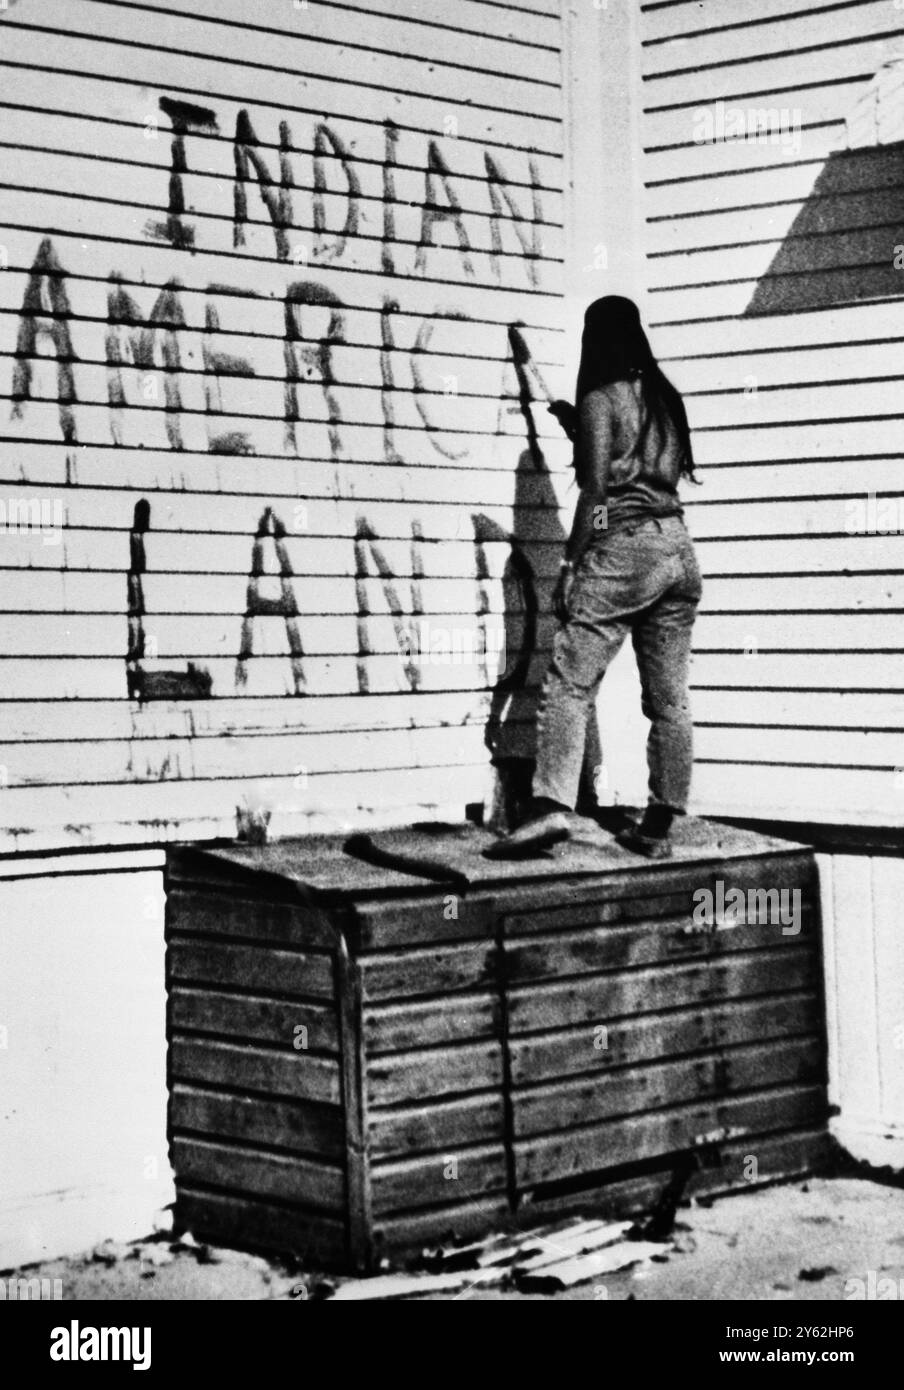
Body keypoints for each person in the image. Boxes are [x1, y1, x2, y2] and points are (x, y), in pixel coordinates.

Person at [486, 295, 702, 860]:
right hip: (677, 548)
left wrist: (570, 562)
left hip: (625, 550)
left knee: (570, 681)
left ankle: (551, 808)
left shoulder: (602, 397)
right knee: (669, 698)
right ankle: (660, 820)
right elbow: (638, 464)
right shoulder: (663, 396)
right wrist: (580, 429)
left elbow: (601, 496)